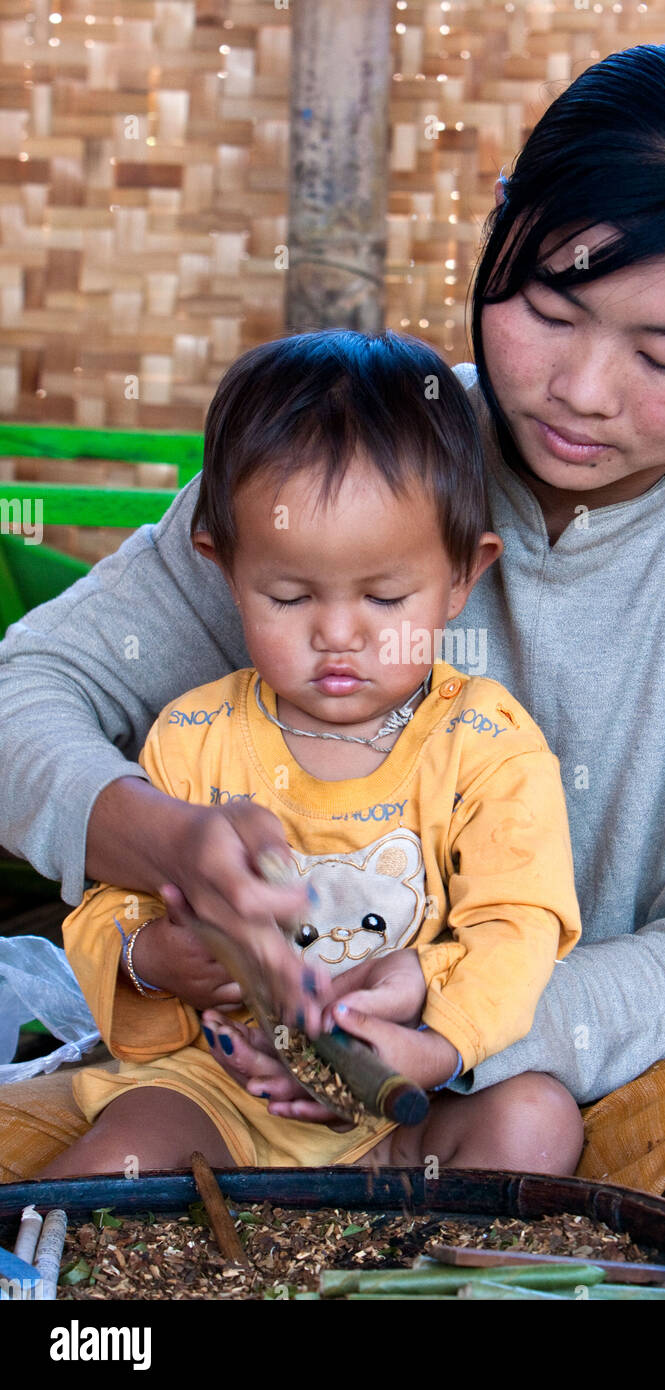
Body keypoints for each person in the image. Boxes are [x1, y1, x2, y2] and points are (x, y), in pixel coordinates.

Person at [0, 42, 665, 1298]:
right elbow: (32, 688)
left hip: (570, 1110)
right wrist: (155, 844)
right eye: (549, 314)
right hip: (221, 1092)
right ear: (497, 241)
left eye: (664, 358)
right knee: (65, 1182)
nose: (577, 389)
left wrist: (452, 1028)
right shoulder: (354, 453)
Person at [32, 330, 583, 1180]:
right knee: (104, 1170)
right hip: (220, 1097)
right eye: (288, 595)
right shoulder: (192, 737)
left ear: (463, 578)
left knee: (537, 1122)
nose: (337, 635)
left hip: (409, 1108)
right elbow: (108, 913)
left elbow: (519, 926)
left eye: (385, 597)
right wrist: (152, 960)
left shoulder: (488, 744)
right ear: (222, 565)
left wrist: (431, 1032)